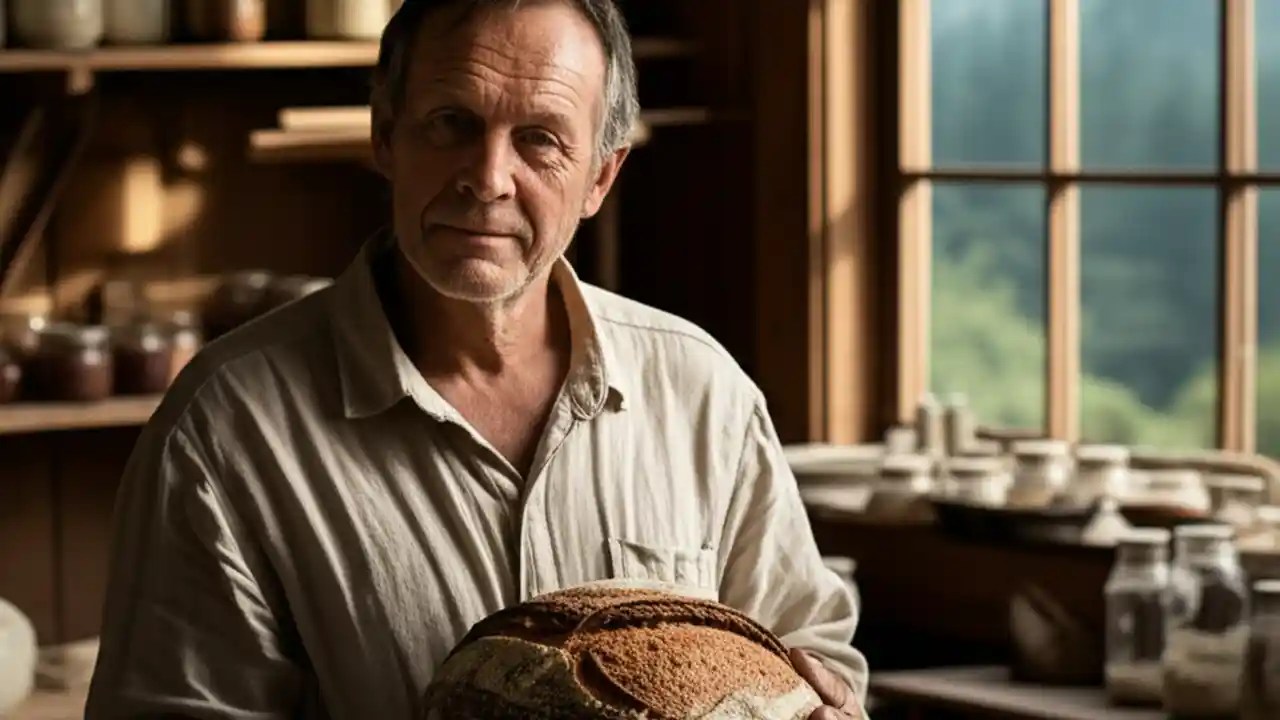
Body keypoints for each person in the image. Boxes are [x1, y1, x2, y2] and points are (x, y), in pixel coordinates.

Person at [85, 0, 868, 718]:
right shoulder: (227, 427)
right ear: (385, 136)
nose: (488, 179)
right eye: (451, 123)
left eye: (540, 138)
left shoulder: (703, 395)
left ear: (600, 175)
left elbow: (809, 661)